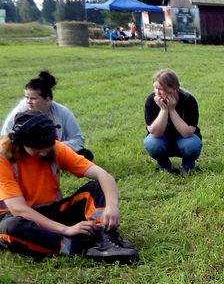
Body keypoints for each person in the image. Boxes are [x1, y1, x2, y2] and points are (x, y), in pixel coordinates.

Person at [0, 111, 135, 260]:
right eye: (38, 148)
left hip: (53, 211)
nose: (44, 152)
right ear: (20, 142)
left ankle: (107, 237)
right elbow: (19, 210)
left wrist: (112, 206)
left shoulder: (55, 148)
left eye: (48, 146)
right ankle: (78, 247)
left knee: (96, 187)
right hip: (18, 217)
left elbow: (103, 175)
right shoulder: (3, 157)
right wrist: (66, 229)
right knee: (11, 227)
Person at [2, 70, 92, 159]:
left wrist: (54, 147)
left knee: (85, 155)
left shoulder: (62, 112)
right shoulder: (20, 111)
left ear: (48, 99)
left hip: (55, 152)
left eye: (33, 98)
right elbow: (5, 137)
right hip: (30, 153)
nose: (28, 102)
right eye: (26, 97)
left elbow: (78, 139)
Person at [143, 69, 203, 174]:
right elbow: (154, 132)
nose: (157, 92)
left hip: (184, 138)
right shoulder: (151, 100)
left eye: (161, 89)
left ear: (173, 89)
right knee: (152, 143)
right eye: (155, 87)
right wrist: (164, 110)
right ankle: (164, 166)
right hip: (161, 138)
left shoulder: (188, 100)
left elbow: (187, 132)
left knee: (192, 144)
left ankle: (188, 166)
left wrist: (172, 110)